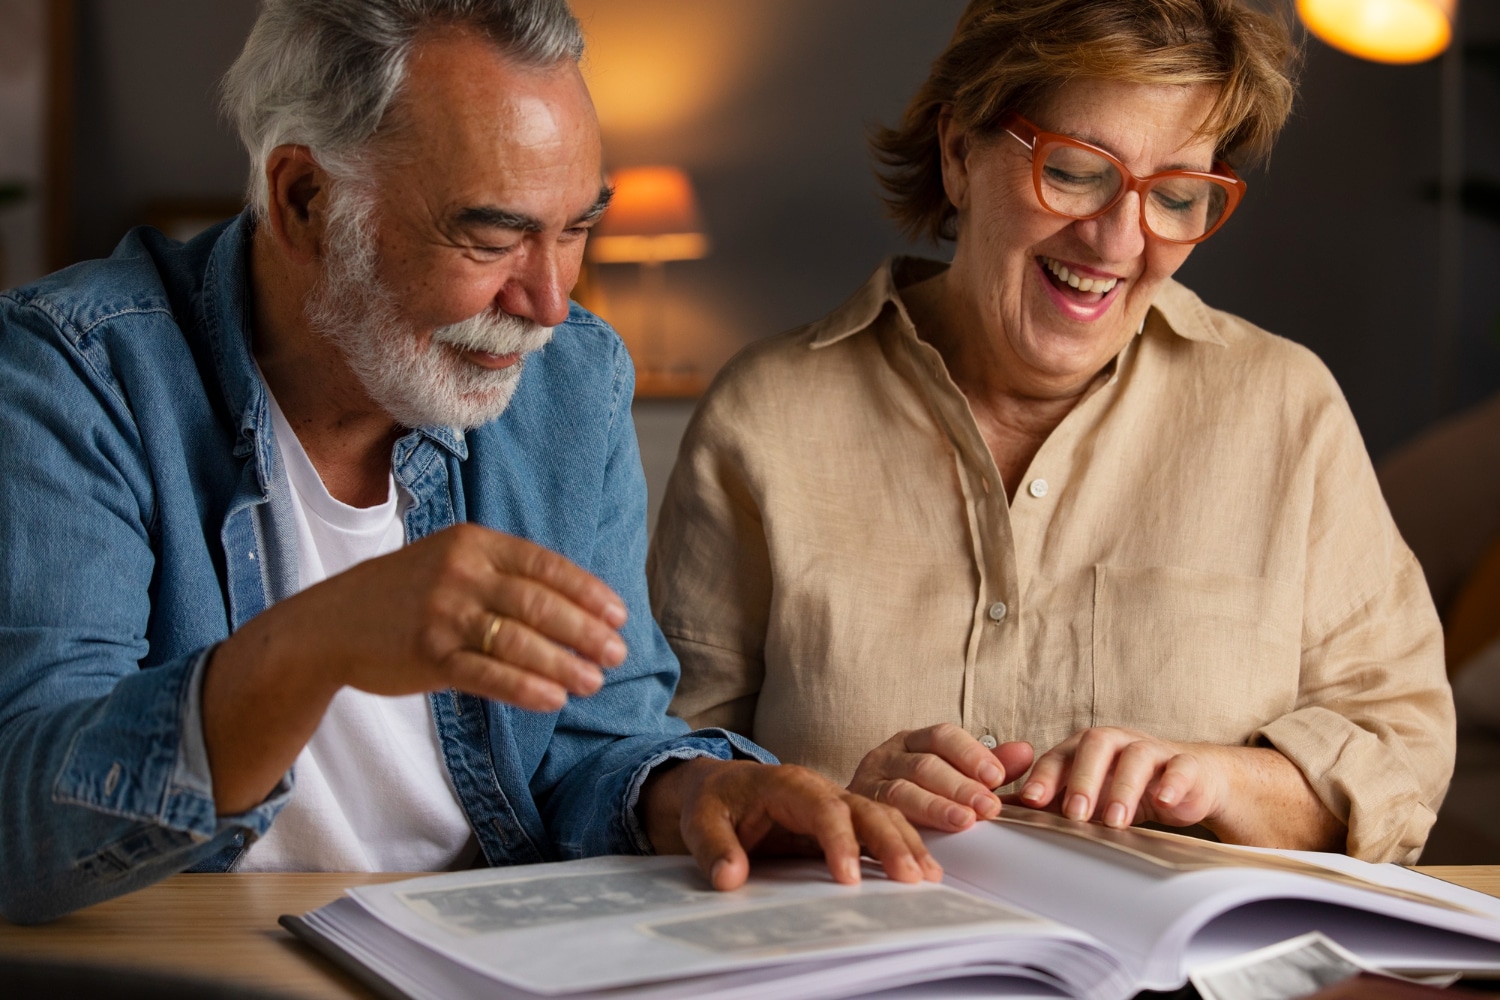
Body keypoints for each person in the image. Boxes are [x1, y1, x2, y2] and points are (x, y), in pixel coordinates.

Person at [0, 0, 938, 926]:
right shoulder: (75, 371)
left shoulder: (572, 378)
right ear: (304, 200)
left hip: (485, 959)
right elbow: (26, 826)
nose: (548, 302)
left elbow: (593, 739)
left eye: (576, 229)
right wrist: (317, 645)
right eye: (491, 238)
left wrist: (694, 790)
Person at [649, 0, 1454, 864]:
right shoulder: (767, 413)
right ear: (960, 154)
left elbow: (1402, 752)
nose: (1117, 239)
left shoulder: (1285, 409)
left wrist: (1220, 782)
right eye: (1074, 171)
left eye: (1177, 195)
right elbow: (656, 768)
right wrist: (831, 807)